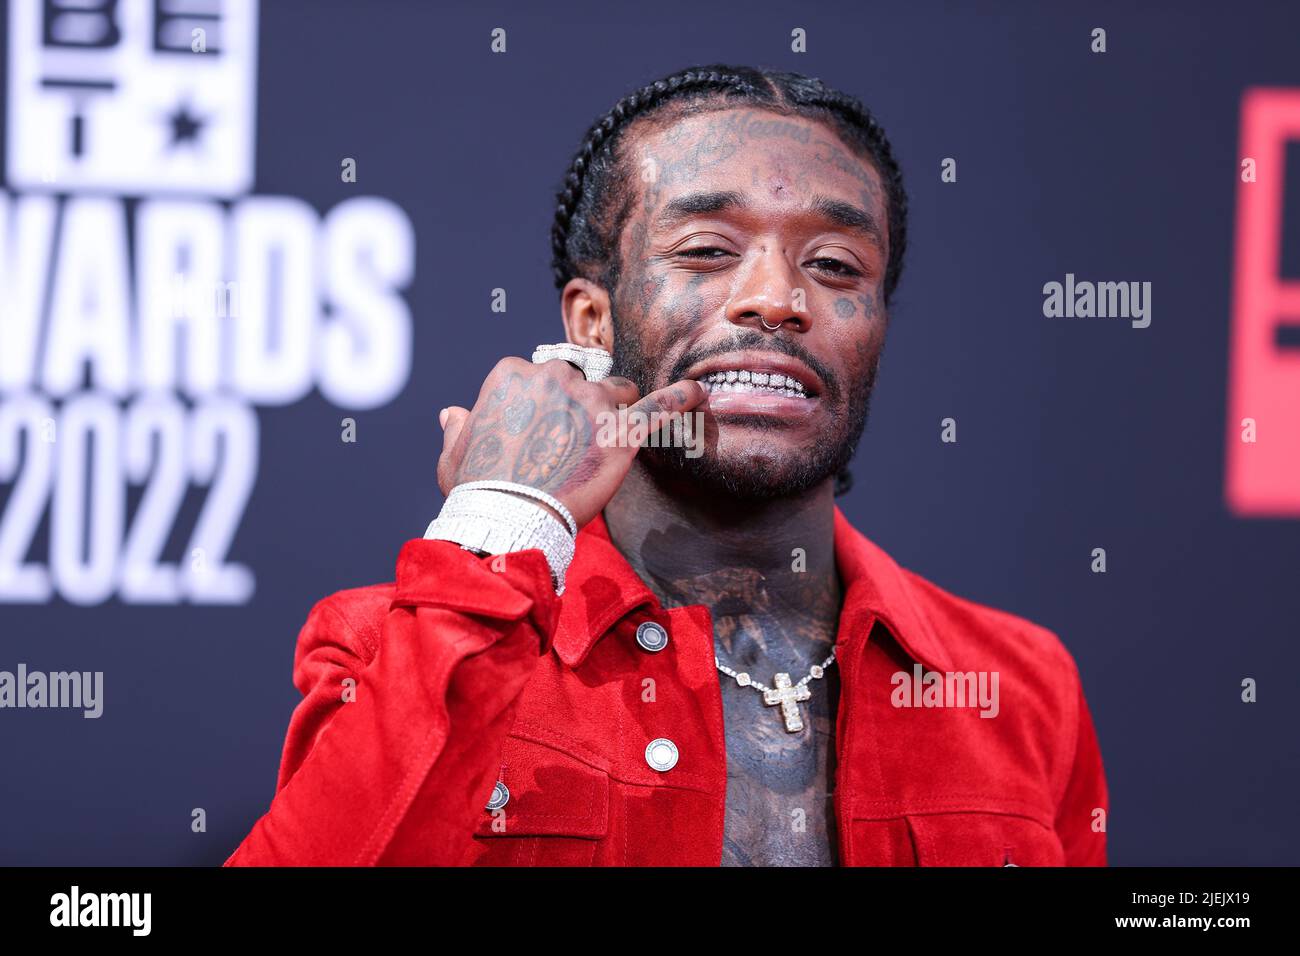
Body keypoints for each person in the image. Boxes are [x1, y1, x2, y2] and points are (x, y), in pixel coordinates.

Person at [225, 63, 1107, 867]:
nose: (777, 299)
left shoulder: (1021, 689)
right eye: (707, 251)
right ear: (591, 325)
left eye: (836, 265)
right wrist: (500, 526)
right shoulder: (389, 642)